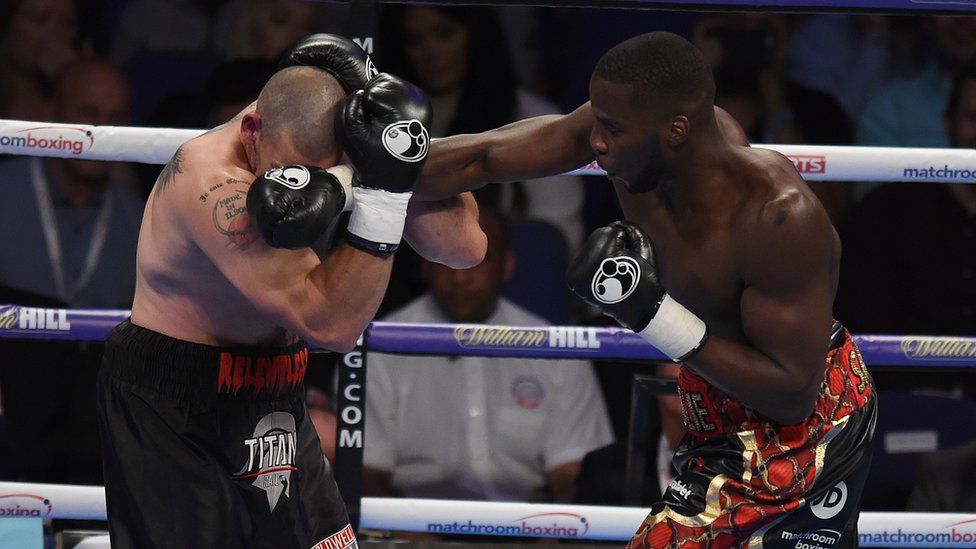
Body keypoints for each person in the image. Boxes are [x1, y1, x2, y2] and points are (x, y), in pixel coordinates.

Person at [419, 31, 875, 548]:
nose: (595, 142)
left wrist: (652, 315)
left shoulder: (777, 217)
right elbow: (485, 158)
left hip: (803, 430)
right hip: (717, 403)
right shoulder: (628, 140)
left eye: (611, 128)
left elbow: (792, 393)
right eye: (597, 120)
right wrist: (378, 163)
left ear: (676, 130)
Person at [95, 35, 486, 549]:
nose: (295, 194)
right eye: (289, 174)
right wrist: (384, 205)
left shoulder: (347, 141)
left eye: (321, 177)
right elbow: (331, 325)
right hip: (172, 405)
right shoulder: (213, 181)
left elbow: (465, 248)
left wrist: (389, 168)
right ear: (252, 132)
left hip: (274, 388)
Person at [362, 206, 613, 503]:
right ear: (424, 266)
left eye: (476, 261)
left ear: (507, 265)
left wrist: (551, 527)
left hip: (529, 523)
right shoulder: (382, 345)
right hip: (409, 524)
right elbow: (366, 475)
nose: (459, 278)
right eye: (443, 259)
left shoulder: (557, 349)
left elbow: (572, 474)